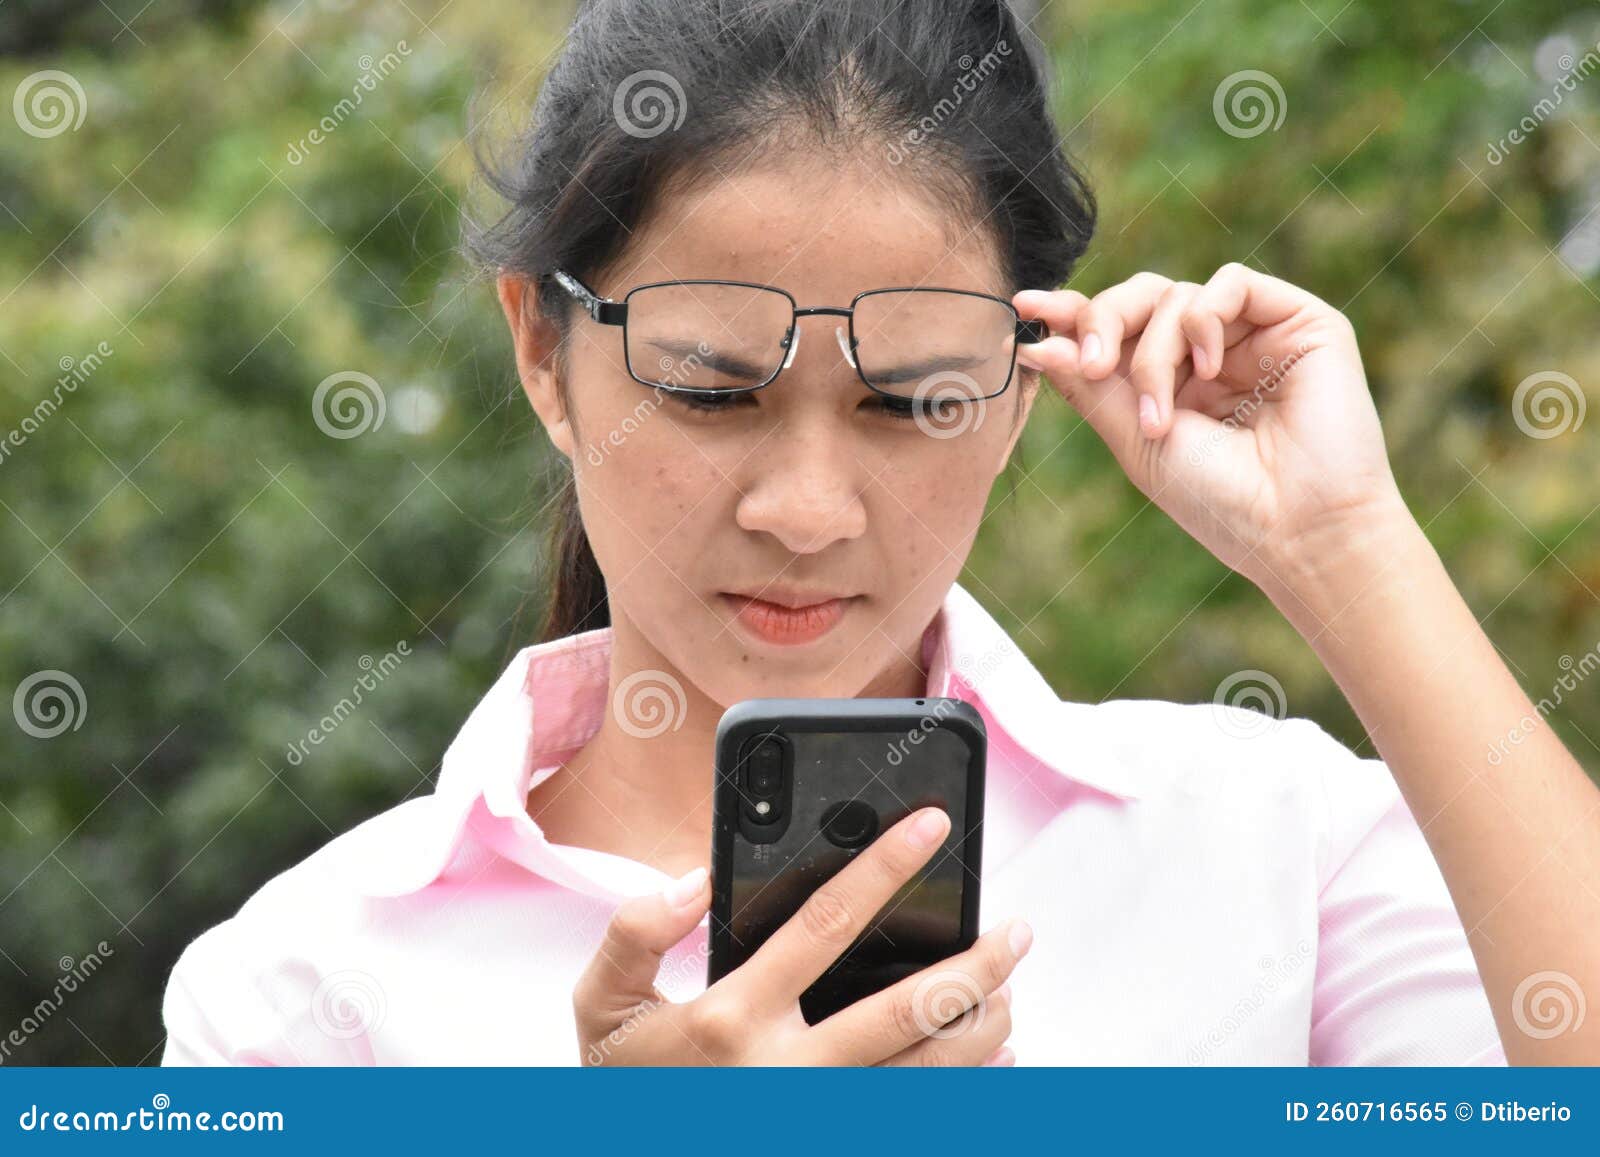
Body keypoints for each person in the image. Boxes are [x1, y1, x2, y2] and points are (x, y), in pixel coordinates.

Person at [161, 0, 1598, 1066]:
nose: (805, 509)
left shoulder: (1271, 844)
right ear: (544, 351)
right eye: (711, 388)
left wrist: (1343, 541)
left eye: (912, 402)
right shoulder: (299, 992)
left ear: (1023, 382)